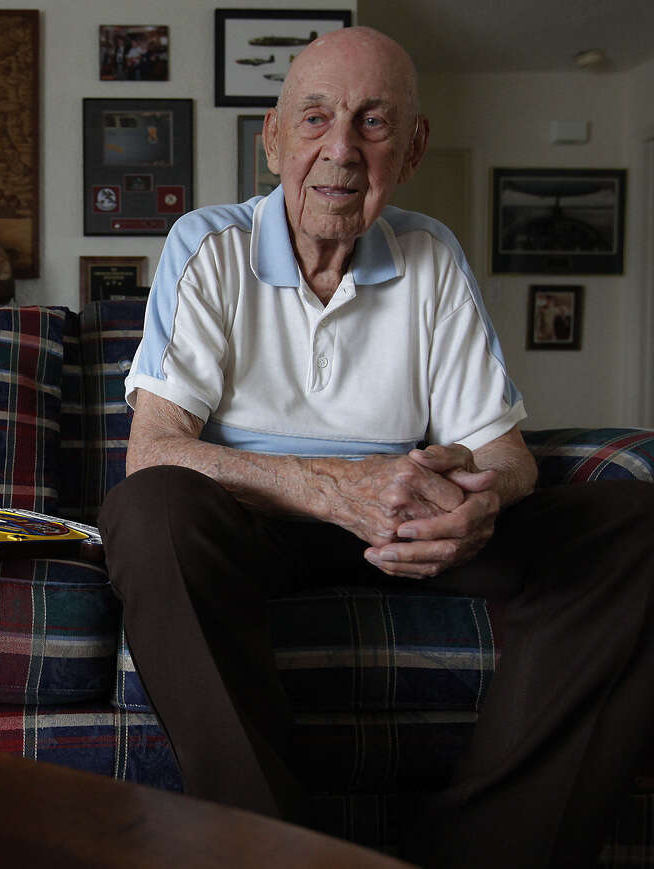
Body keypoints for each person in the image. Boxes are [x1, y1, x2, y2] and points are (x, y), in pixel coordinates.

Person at [100, 26, 654, 869]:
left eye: (374, 122)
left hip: (403, 522)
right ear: (273, 138)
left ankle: (488, 849)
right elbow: (155, 448)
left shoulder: (431, 256)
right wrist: (331, 488)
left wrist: (480, 502)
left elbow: (507, 454)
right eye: (316, 118)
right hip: (255, 519)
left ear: (415, 146)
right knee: (150, 507)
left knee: (634, 527)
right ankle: (274, 851)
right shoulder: (208, 247)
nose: (341, 151)